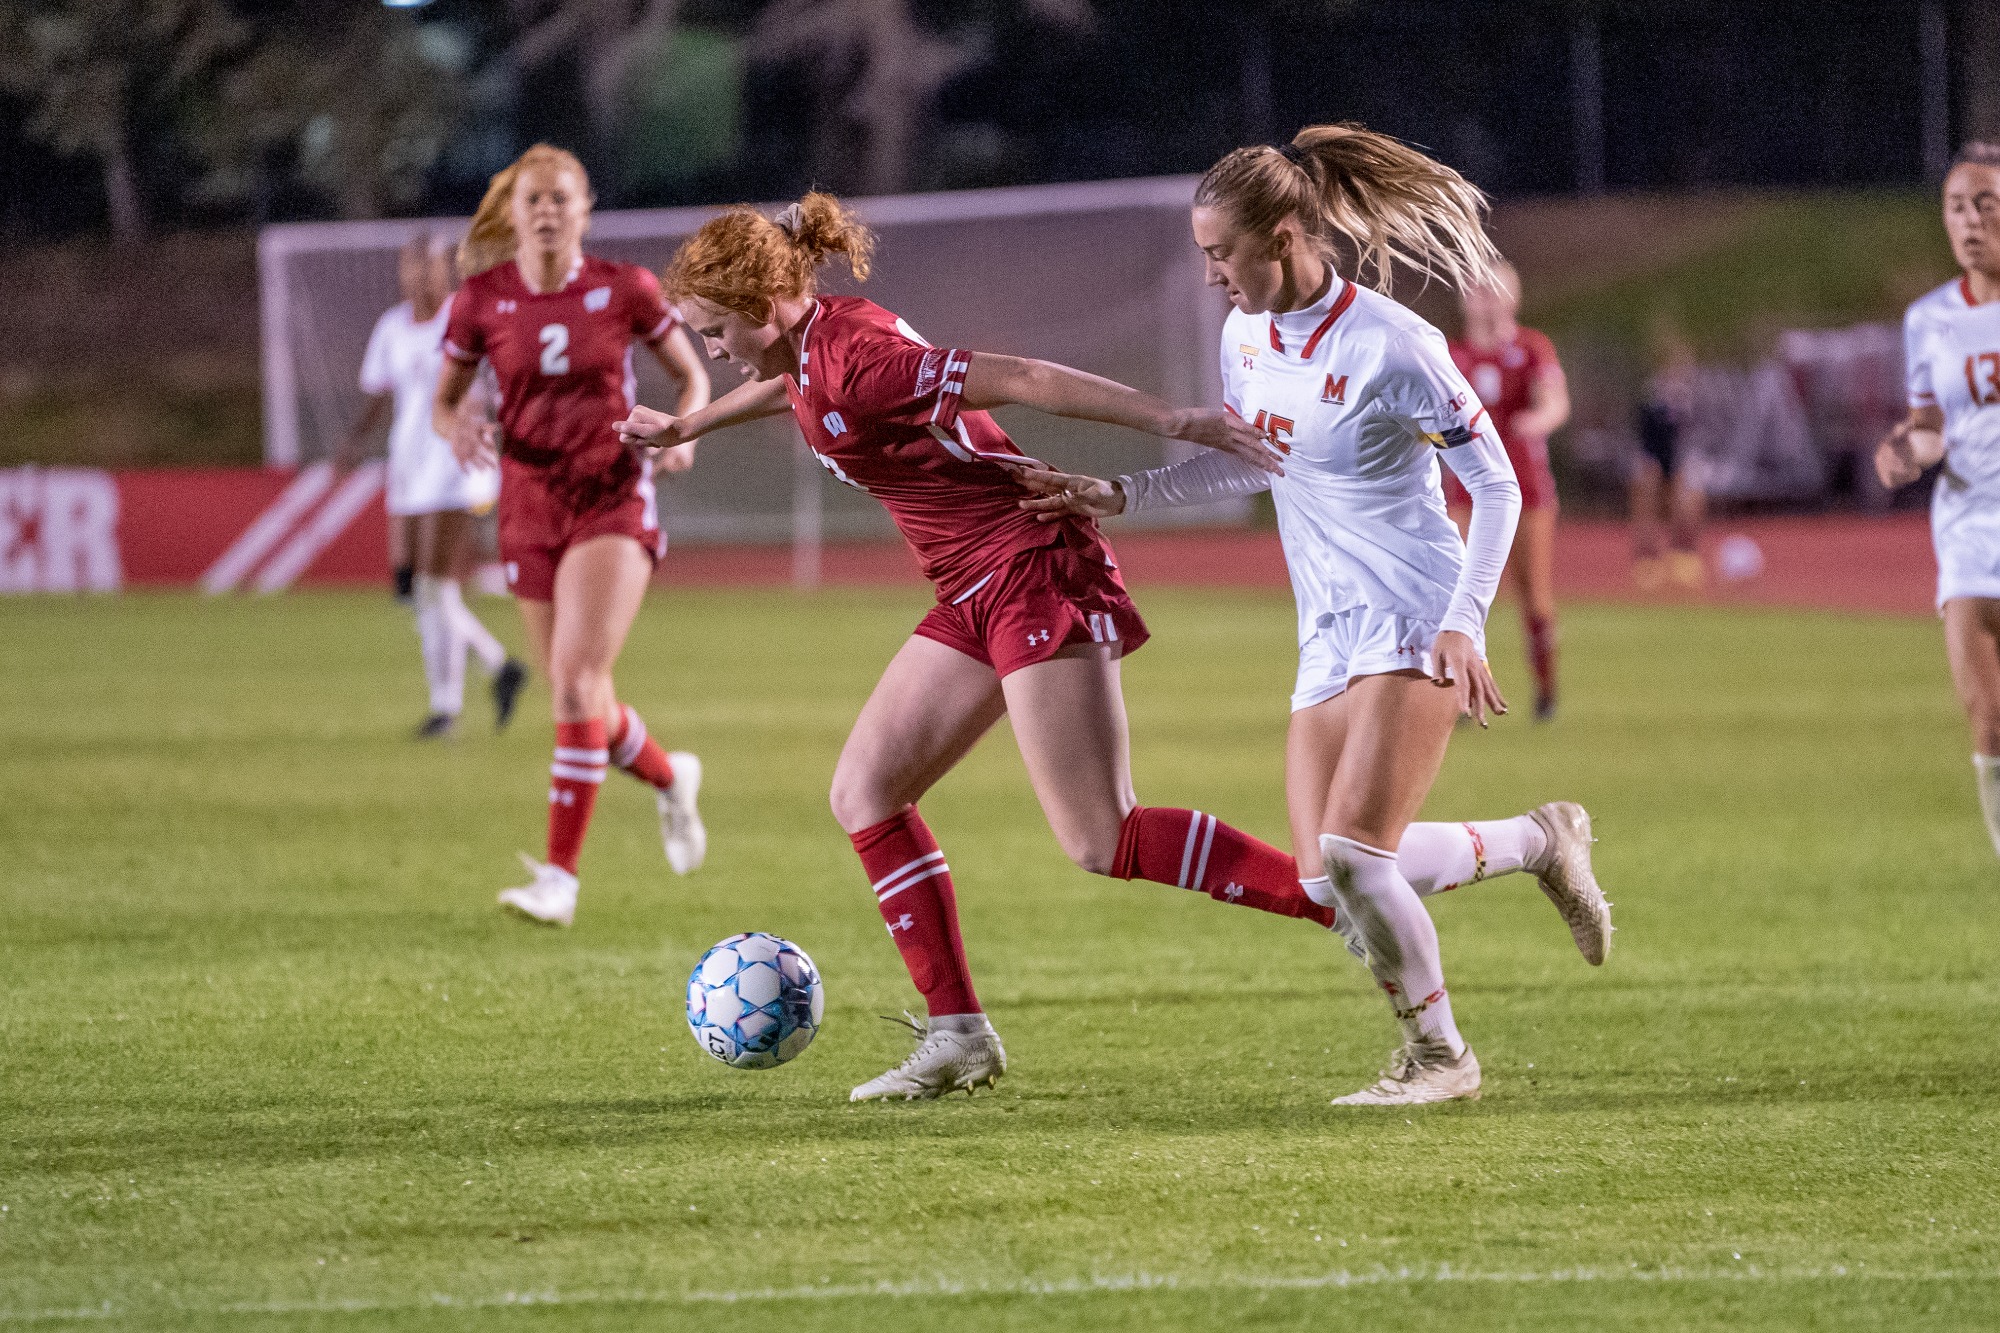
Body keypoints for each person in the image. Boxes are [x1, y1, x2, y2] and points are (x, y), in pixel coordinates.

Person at [616, 188, 1607, 1105]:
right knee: (864, 793)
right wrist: (689, 421)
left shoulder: (860, 362)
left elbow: (1022, 375)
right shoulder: (809, 349)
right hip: (970, 585)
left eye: (716, 335)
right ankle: (960, 1034)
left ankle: (1342, 905)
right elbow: (784, 385)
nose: (715, 353)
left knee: (1103, 836)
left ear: (774, 300)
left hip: (1030, 568)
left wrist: (1172, 420)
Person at [1012, 124, 1612, 1106]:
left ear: (1282, 234)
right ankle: (1537, 840)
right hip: (1325, 626)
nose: (1208, 275)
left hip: (1415, 607)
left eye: (1219, 253)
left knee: (1353, 853)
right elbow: (1250, 455)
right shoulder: (1244, 336)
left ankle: (1440, 1059)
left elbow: (1494, 484)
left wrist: (1463, 621)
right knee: (1331, 877)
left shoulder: (1392, 344)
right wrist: (1114, 493)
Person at [433, 144, 713, 925]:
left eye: (562, 198)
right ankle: (669, 777)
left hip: (611, 494)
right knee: (583, 690)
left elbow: (690, 374)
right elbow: (443, 400)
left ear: (587, 208)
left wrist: (684, 429)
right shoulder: (481, 299)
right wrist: (457, 426)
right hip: (527, 504)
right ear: (514, 212)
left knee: (574, 679)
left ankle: (559, 878)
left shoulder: (626, 288)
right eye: (534, 200)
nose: (548, 211)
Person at [339, 234, 527, 739]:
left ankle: (448, 707)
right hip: (408, 465)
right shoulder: (391, 327)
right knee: (416, 590)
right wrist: (354, 441)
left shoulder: (463, 319)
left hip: (453, 462)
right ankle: (495, 668)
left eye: (430, 265)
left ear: (449, 270)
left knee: (432, 585)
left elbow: (492, 386)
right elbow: (381, 394)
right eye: (411, 266)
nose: (420, 275)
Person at [1877, 141, 2000, 858]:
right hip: (1968, 529)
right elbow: (1928, 429)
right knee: (1986, 719)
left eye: (1986, 203)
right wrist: (1906, 451)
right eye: (1957, 206)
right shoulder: (1929, 320)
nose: (1970, 220)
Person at [1446, 261, 1570, 720]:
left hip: (1526, 491)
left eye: (1496, 290)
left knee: (1534, 595)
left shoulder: (1532, 348)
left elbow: (1555, 400)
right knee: (1457, 593)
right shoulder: (1452, 355)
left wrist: (1537, 420)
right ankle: (1461, 694)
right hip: (1465, 493)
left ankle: (1546, 690)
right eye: (1478, 290)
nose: (1487, 298)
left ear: (1513, 298)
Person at [1630, 320, 1706, 592]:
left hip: (1682, 458)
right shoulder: (1653, 398)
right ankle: (1647, 560)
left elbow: (1697, 436)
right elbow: (1645, 434)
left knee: (1687, 501)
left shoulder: (1693, 398)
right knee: (1646, 498)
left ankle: (1683, 555)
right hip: (1654, 456)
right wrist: (1649, 462)